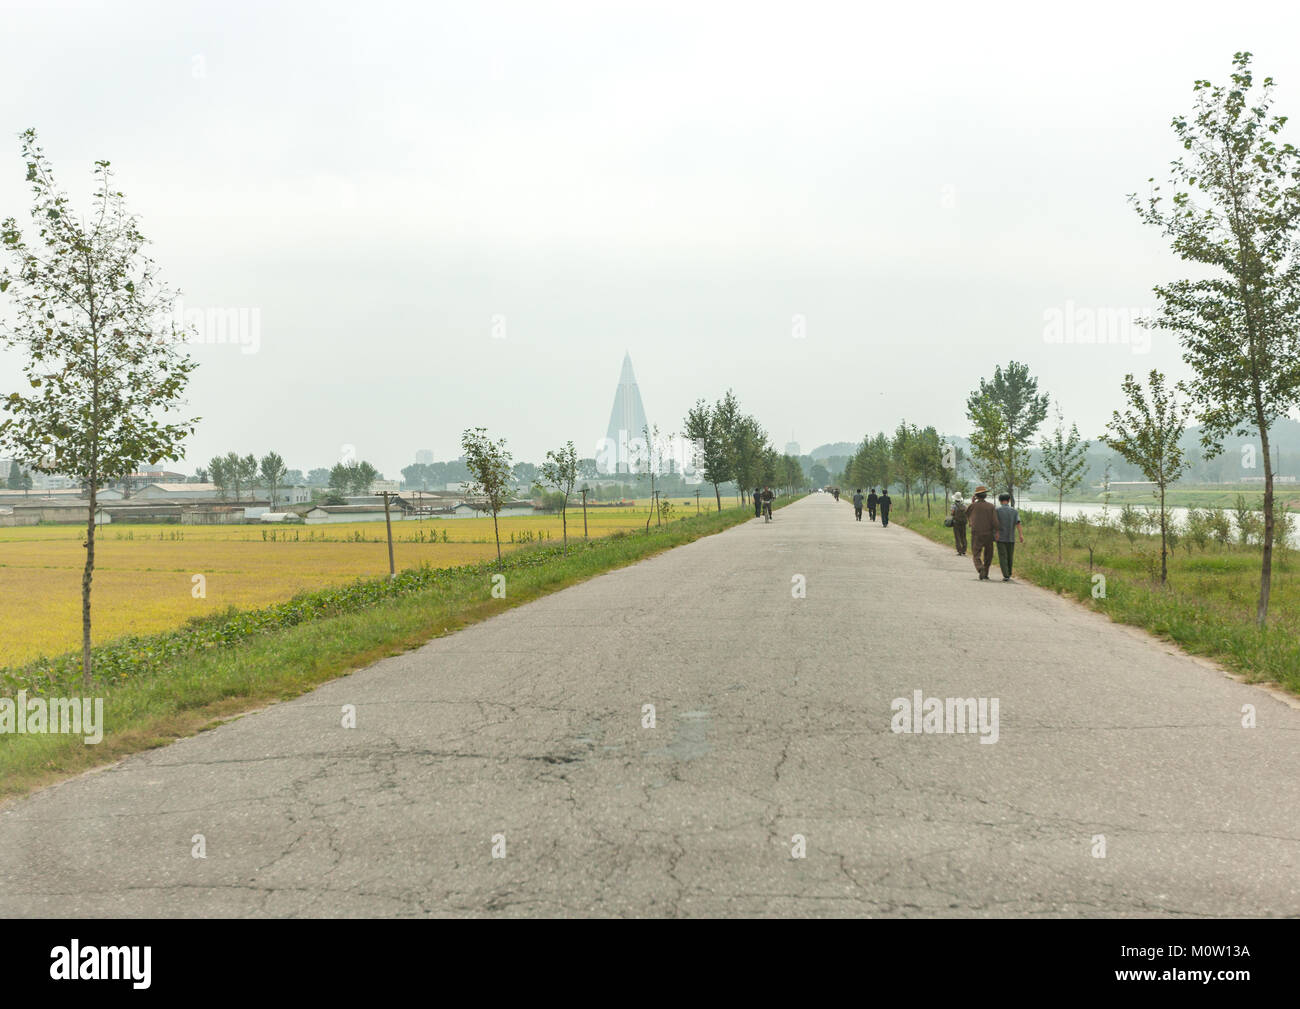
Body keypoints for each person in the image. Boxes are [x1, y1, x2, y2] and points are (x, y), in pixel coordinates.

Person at [965, 486, 1000, 580]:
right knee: (989, 554)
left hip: (976, 533)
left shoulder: (972, 506)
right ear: (985, 496)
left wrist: (973, 502)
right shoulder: (991, 506)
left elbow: (967, 513)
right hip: (988, 533)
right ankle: (985, 571)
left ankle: (980, 568)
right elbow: (995, 521)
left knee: (976, 553)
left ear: (976, 496)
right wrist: (997, 531)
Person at [995, 492, 1024, 581]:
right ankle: (1009, 573)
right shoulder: (1014, 511)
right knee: (1010, 556)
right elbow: (1018, 524)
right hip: (1011, 537)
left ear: (1000, 501)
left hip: (1000, 537)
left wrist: (995, 533)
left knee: (1002, 556)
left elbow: (995, 523)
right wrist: (1021, 535)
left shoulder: (997, 510)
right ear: (1009, 500)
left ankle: (1006, 574)